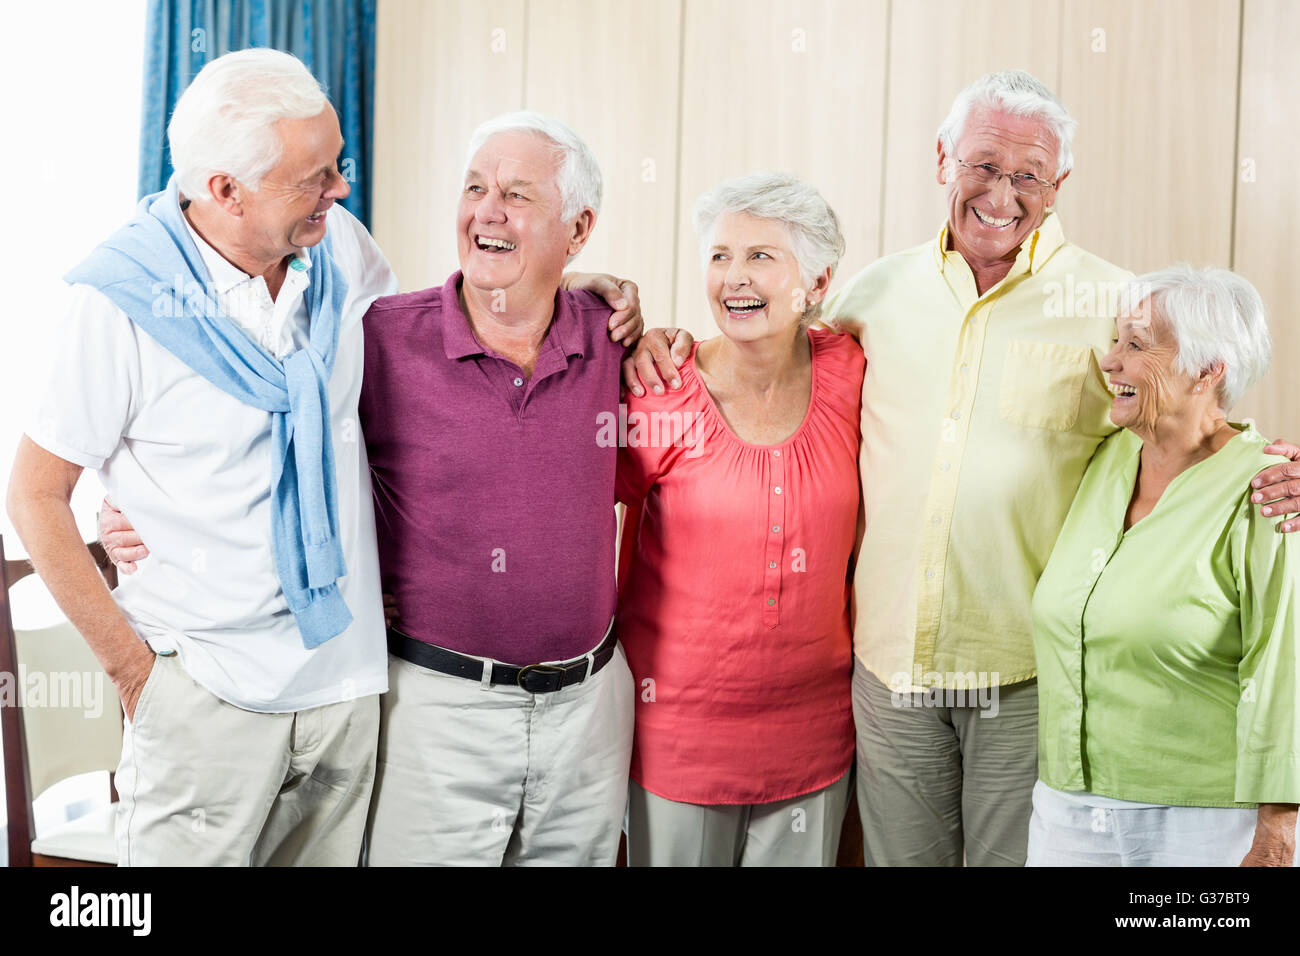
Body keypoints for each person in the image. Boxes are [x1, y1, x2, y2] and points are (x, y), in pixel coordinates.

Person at [623, 70, 1300, 866]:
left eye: (1028, 175)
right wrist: (654, 340)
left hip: (1024, 676)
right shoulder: (874, 296)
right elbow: (766, 350)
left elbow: (1189, 407)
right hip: (887, 674)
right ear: (943, 160)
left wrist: (1272, 459)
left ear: (1059, 186)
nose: (1002, 193)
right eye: (983, 164)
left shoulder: (1113, 305)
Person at [16, 50, 640, 867]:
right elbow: (34, 497)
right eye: (314, 177)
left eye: (336, 165)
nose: (341, 190)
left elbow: (429, 337)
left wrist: (558, 281)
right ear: (225, 191)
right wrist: (136, 676)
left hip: (344, 687)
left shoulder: (335, 246)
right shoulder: (119, 302)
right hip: (209, 695)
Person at [359, 112, 635, 866]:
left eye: (517, 195)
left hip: (588, 707)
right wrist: (141, 510)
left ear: (577, 231)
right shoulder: (381, 339)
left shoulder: (615, 341)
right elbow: (278, 457)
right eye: (476, 187)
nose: (487, 210)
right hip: (437, 709)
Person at [618, 173, 863, 866]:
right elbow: (562, 510)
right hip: (679, 735)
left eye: (761, 256)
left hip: (815, 732)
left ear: (817, 281)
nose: (734, 278)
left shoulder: (851, 373)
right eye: (720, 255)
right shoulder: (656, 390)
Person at [1029, 266, 1298, 866]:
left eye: (1137, 344)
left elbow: (1284, 670)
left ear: (1208, 370)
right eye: (1117, 339)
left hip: (1208, 821)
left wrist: (1278, 832)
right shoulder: (1103, 461)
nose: (1110, 360)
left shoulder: (1269, 489)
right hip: (1068, 806)